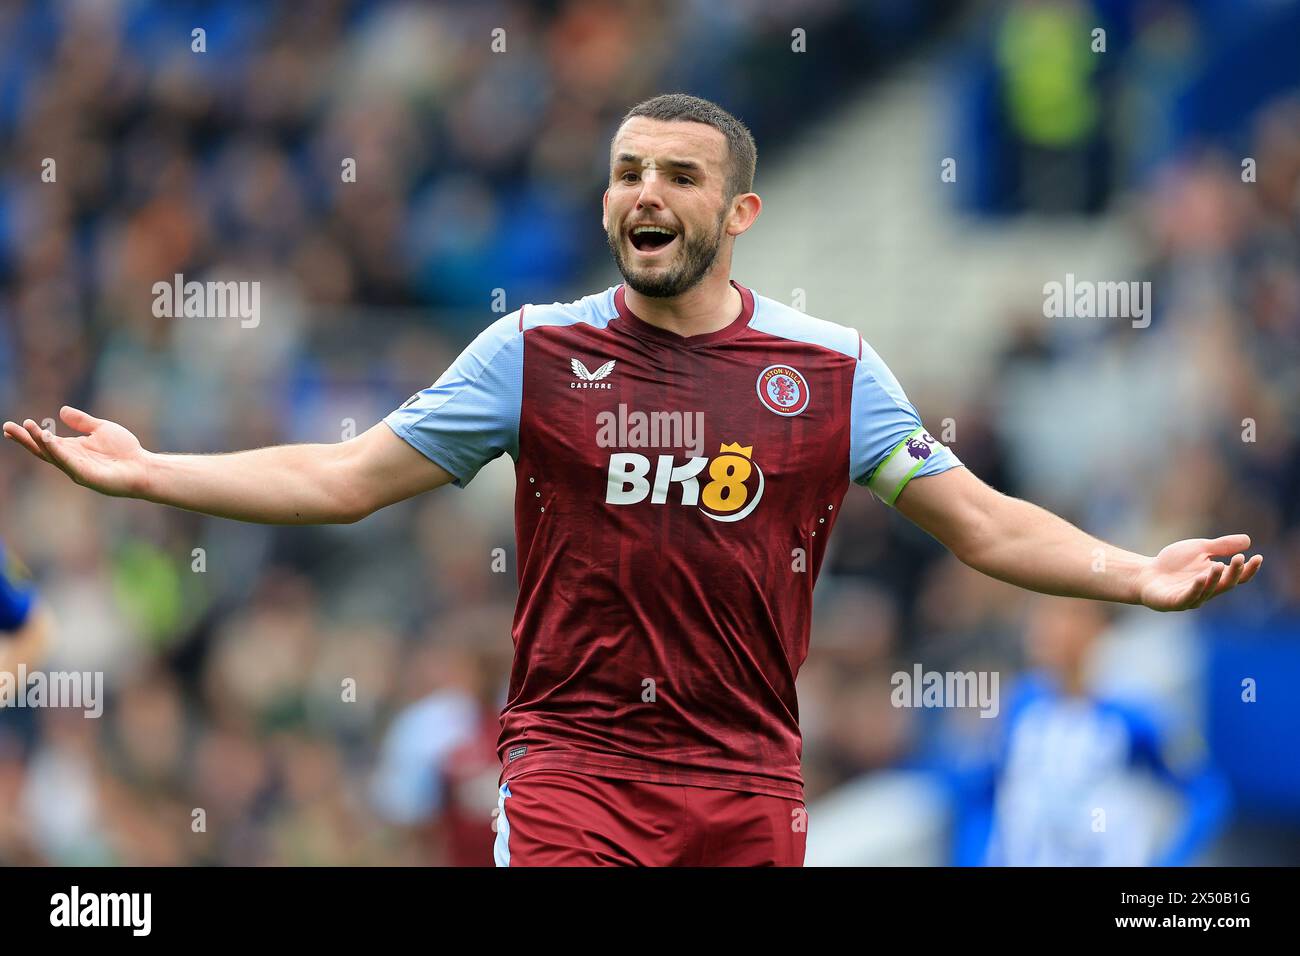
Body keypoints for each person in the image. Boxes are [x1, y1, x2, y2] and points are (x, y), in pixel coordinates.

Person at [3, 93, 1263, 867]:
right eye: (625, 171)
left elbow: (980, 523)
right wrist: (151, 470)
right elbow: (342, 477)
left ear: (742, 210)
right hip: (570, 773)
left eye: (677, 175)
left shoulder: (826, 371)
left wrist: (1129, 574)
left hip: (748, 781)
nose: (643, 193)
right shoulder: (531, 351)